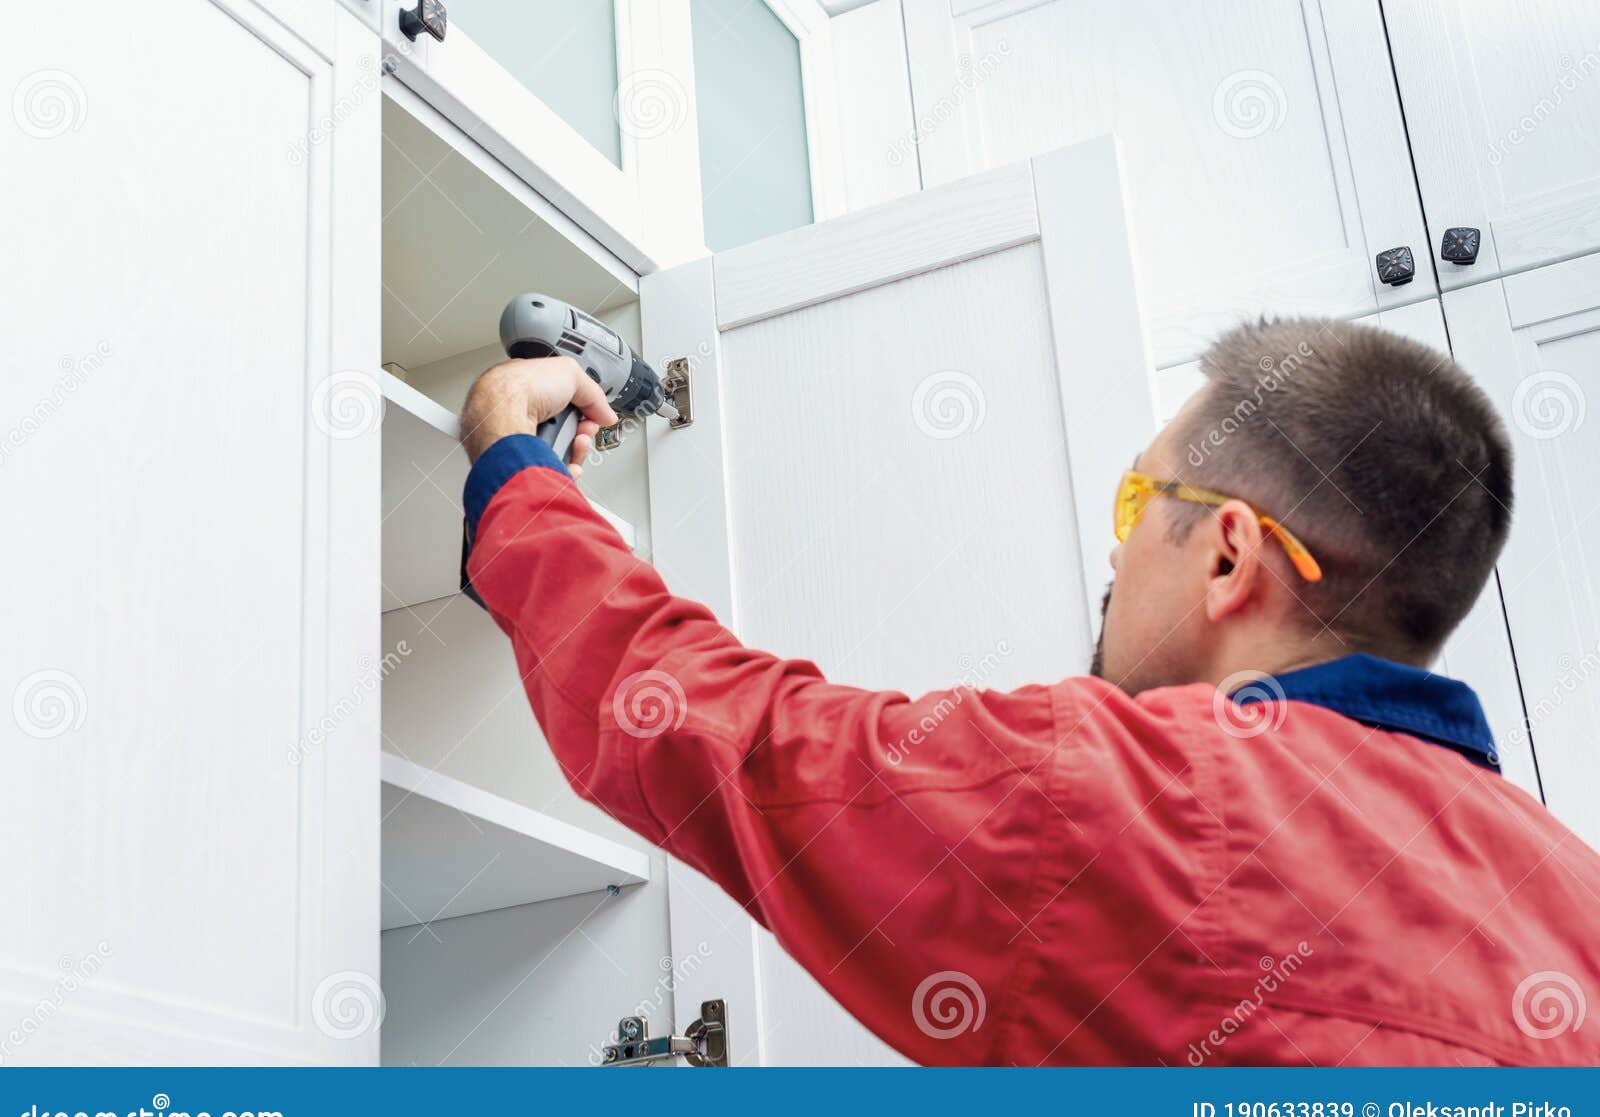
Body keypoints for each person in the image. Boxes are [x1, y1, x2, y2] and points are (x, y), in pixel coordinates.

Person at [456, 317, 1599, 1066]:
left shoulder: (1140, 796)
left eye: (1135, 506)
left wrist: (512, 460)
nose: (1115, 559)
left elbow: (719, 733)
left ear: (1227, 555)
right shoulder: (1569, 891)